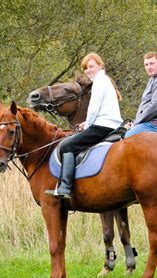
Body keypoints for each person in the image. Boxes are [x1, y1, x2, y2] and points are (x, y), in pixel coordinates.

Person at [45, 53, 123, 199]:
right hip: (109, 124)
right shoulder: (105, 81)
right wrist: (85, 124)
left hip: (103, 126)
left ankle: (64, 188)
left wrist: (88, 125)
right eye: (86, 68)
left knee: (66, 146)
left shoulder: (99, 82)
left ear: (100, 65)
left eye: (91, 66)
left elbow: (93, 109)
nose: (88, 70)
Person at [124, 52, 157, 138]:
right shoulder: (154, 78)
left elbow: (155, 106)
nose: (149, 67)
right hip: (150, 122)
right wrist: (135, 121)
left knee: (128, 137)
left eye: (152, 63)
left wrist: (137, 122)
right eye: (146, 65)